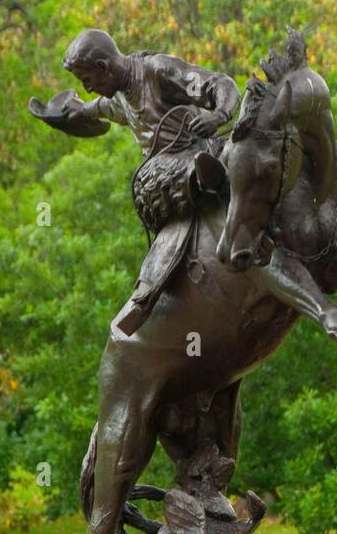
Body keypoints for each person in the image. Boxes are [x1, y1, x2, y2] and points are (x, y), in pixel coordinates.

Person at [30, 28, 240, 333]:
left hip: (195, 153)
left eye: (87, 80)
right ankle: (151, 287)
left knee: (155, 177)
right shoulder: (118, 98)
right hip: (168, 182)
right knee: (148, 188)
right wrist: (66, 114)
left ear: (103, 68)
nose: (87, 89)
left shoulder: (157, 72)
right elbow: (91, 110)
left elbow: (221, 83)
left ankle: (204, 174)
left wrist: (219, 114)